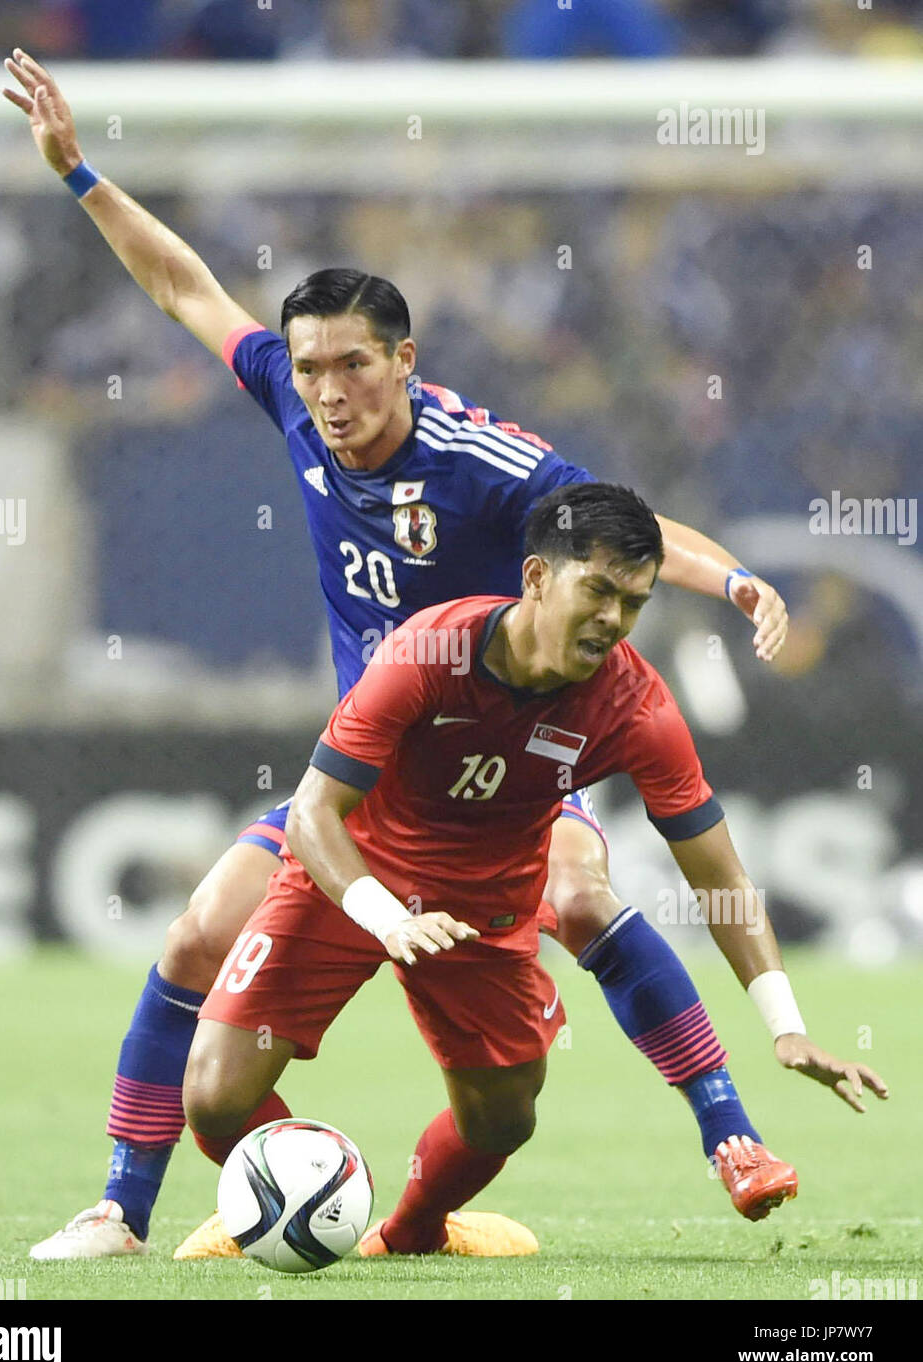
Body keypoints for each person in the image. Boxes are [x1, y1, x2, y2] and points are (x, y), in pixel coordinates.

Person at [0, 50, 820, 1261]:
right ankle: (134, 1205)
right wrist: (80, 177)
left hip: (510, 754)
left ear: (404, 361)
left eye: (353, 367)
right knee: (189, 940)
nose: (327, 391)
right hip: (367, 773)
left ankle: (725, 1129)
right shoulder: (289, 395)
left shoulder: (483, 464)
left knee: (585, 894)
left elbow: (617, 521)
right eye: (313, 366)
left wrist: (732, 576)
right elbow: (184, 287)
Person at [183, 482, 887, 1258]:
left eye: (633, 603)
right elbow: (316, 811)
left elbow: (718, 877)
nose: (612, 620)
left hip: (484, 906)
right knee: (214, 1099)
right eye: (597, 591)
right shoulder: (428, 650)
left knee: (504, 1118)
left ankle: (414, 1231)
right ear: (536, 577)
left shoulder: (635, 707)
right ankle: (282, 1192)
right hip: (354, 878)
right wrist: (388, 916)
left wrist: (785, 1029)